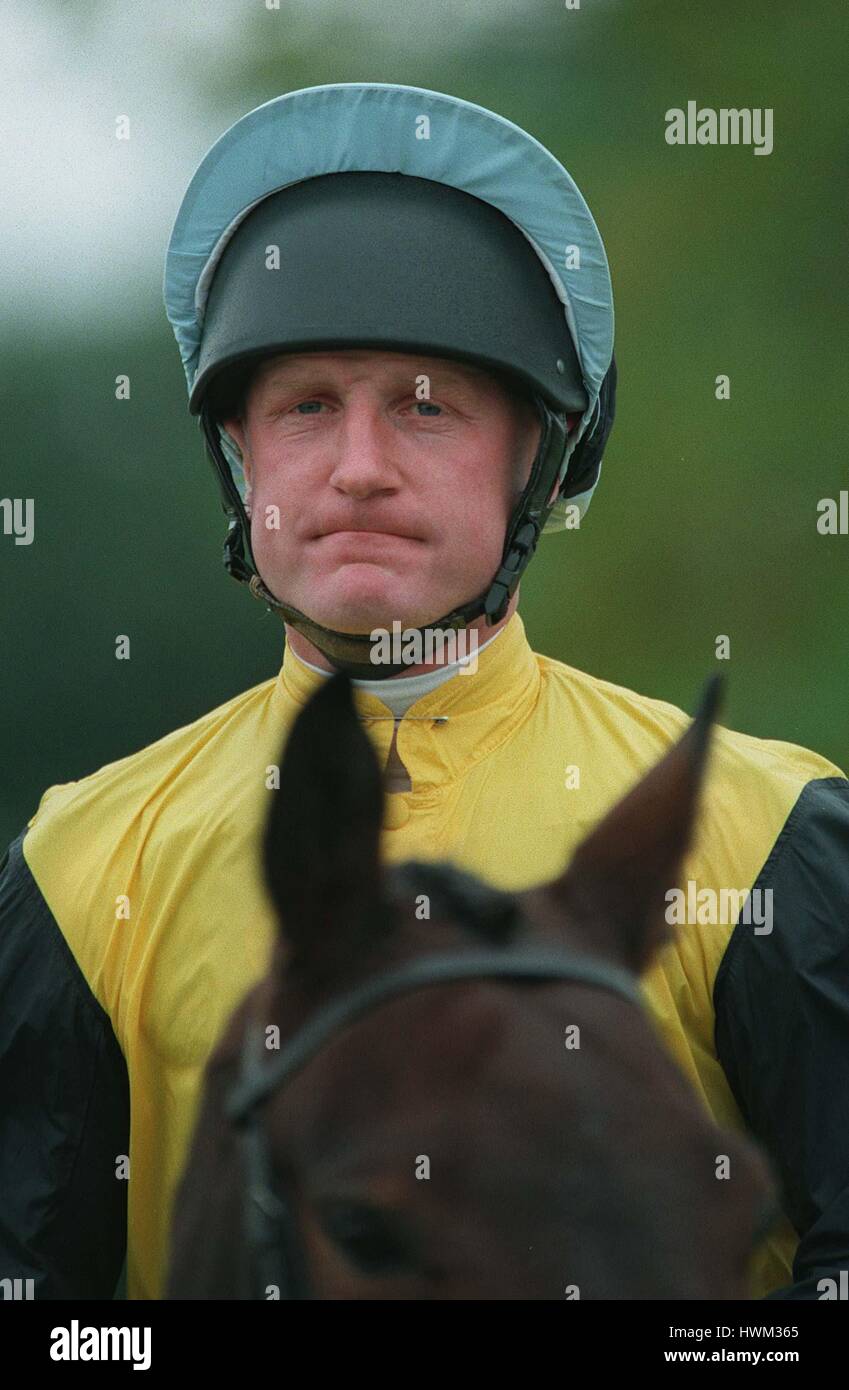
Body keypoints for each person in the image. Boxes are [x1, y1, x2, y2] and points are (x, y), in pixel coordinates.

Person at [1, 82, 847, 1302]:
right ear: (243, 464)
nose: (356, 468)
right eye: (305, 409)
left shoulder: (770, 837)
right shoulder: (75, 872)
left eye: (426, 407)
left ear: (539, 456)